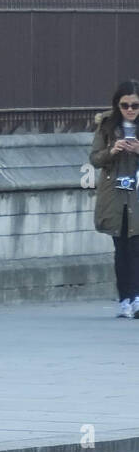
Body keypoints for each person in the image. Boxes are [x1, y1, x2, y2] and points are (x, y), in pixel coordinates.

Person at [88, 80, 139, 317]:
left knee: (136, 247)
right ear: (117, 105)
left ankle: (137, 297)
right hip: (116, 195)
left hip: (137, 193)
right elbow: (95, 158)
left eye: (135, 105)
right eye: (125, 105)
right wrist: (112, 150)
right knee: (122, 248)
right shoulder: (107, 125)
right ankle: (125, 299)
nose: (130, 109)